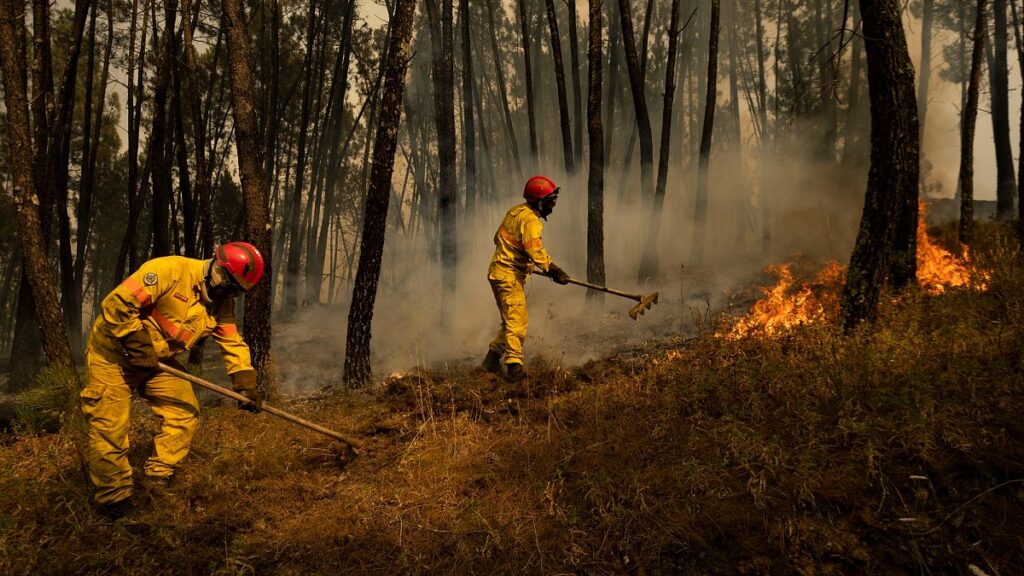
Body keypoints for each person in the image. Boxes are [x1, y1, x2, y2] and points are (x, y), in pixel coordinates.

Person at [81, 242, 265, 519]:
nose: (227, 293)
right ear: (216, 264)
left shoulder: (220, 304)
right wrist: (137, 344)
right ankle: (115, 502)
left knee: (185, 411)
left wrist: (245, 383)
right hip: (114, 354)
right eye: (226, 284)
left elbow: (231, 341)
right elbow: (117, 304)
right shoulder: (168, 270)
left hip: (157, 360)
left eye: (235, 290)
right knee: (110, 427)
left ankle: (157, 478)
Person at [482, 176, 572, 380]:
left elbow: (498, 238)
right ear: (539, 201)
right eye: (550, 201)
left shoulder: (516, 211)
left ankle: (491, 359)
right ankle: (514, 368)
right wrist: (553, 269)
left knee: (510, 320)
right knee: (516, 321)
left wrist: (520, 260)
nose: (553, 206)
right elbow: (535, 249)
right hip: (508, 275)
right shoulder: (531, 220)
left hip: (498, 272)